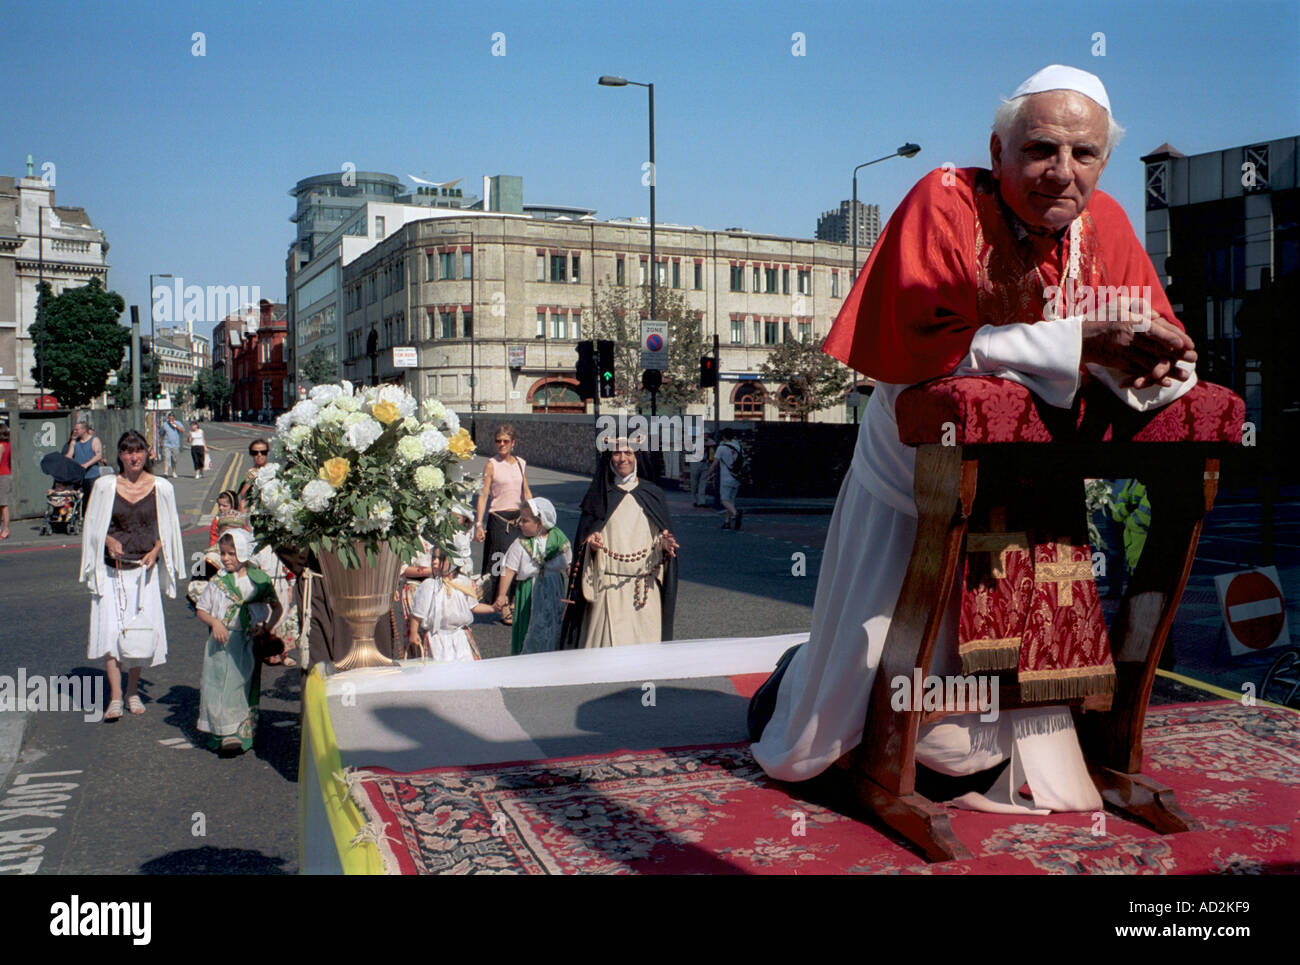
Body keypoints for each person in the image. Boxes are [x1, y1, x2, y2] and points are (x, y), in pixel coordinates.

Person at [750, 65, 1198, 813]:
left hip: (1034, 482)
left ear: (1104, 162)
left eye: (1083, 155)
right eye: (1041, 149)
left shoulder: (1110, 225)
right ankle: (798, 692)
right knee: (854, 688)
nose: (1062, 173)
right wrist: (1074, 342)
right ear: (999, 150)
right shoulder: (945, 200)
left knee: (976, 743)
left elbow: (1158, 345)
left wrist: (1154, 359)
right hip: (917, 471)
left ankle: (1054, 744)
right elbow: (931, 348)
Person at [79, 430, 186, 721]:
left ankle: (132, 692)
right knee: (111, 634)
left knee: (139, 634)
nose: (134, 457)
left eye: (138, 451)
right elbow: (92, 527)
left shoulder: (161, 487)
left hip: (144, 572)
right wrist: (107, 541)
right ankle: (115, 697)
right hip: (112, 572)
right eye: (127, 452)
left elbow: (170, 529)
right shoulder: (105, 486)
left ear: (147, 453)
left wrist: (157, 550)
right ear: (120, 456)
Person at [559, 440, 680, 649]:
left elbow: (657, 536)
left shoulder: (652, 494)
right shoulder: (600, 495)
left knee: (643, 658)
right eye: (616, 453)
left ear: (638, 457)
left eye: (628, 452)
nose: (622, 458)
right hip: (607, 590)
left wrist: (664, 545)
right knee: (603, 658)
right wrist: (591, 546)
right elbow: (585, 539)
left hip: (643, 591)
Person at [194, 529, 282, 754]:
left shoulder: (259, 581)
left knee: (244, 685)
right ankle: (224, 733)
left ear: (243, 552)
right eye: (223, 553)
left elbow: (277, 607)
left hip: (249, 641)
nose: (225, 558)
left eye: (231, 553)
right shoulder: (218, 581)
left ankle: (242, 732)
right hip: (224, 641)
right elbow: (202, 609)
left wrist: (267, 629)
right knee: (221, 686)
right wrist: (215, 623)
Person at [494, 497, 573, 655]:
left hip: (553, 588)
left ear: (540, 522)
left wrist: (574, 590)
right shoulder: (520, 543)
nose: (520, 524)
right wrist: (502, 595)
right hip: (528, 590)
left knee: (551, 626)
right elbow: (509, 569)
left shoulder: (559, 540)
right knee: (528, 626)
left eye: (525, 521)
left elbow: (569, 565)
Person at [474, 423, 533, 614]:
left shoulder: (520, 463)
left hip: (518, 519)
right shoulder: (491, 465)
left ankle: (515, 598)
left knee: (520, 560)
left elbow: (525, 491)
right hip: (498, 519)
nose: (501, 445)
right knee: (500, 563)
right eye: (498, 441)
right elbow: (483, 495)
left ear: (513, 443)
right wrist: (478, 524)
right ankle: (502, 603)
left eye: (505, 441)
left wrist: (534, 514)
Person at [407, 546, 496, 662]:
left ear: (454, 561)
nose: (435, 561)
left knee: (464, 669)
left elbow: (474, 606)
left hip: (460, 636)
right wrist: (413, 633)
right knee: (440, 671)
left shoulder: (464, 582)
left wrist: (493, 608)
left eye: (441, 558)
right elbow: (417, 613)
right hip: (437, 638)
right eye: (434, 557)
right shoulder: (429, 585)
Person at [65, 419, 107, 501]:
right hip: (78, 477)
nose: (75, 431)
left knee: (92, 500)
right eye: (75, 429)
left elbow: (98, 456)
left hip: (91, 476)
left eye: (77, 429)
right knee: (78, 500)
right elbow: (69, 455)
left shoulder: (94, 440)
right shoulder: (74, 442)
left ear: (84, 430)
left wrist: (86, 465)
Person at [712, 428, 744, 530]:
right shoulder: (738, 447)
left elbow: (715, 463)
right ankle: (727, 522)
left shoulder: (721, 448)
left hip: (726, 478)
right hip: (737, 477)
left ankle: (735, 514)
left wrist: (709, 473)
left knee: (724, 500)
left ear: (723, 436)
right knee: (731, 501)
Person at [237, 438, 271, 510]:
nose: (259, 455)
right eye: (255, 453)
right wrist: (249, 483)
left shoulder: (274, 469)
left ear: (267, 453)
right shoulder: (250, 473)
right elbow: (243, 496)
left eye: (263, 452)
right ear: (251, 454)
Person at [690, 431, 714, 507]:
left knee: (703, 483)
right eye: (705, 434)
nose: (706, 435)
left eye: (707, 434)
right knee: (694, 483)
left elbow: (713, 443)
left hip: (705, 463)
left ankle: (701, 501)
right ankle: (694, 499)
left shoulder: (708, 441)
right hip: (695, 463)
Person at [160, 414, 185, 479]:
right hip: (167, 444)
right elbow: (162, 434)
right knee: (167, 457)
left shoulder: (178, 423)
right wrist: (162, 442)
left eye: (172, 418)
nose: (171, 420)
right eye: (169, 418)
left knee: (174, 459)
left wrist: (176, 426)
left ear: (174, 418)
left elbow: (182, 430)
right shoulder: (165, 424)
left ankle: (174, 472)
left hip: (175, 444)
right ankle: (166, 472)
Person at [0, 423, 11, 540]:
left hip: (1, 476)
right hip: (6, 475)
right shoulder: (7, 444)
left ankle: (6, 529)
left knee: (3, 505)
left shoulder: (0, 446)